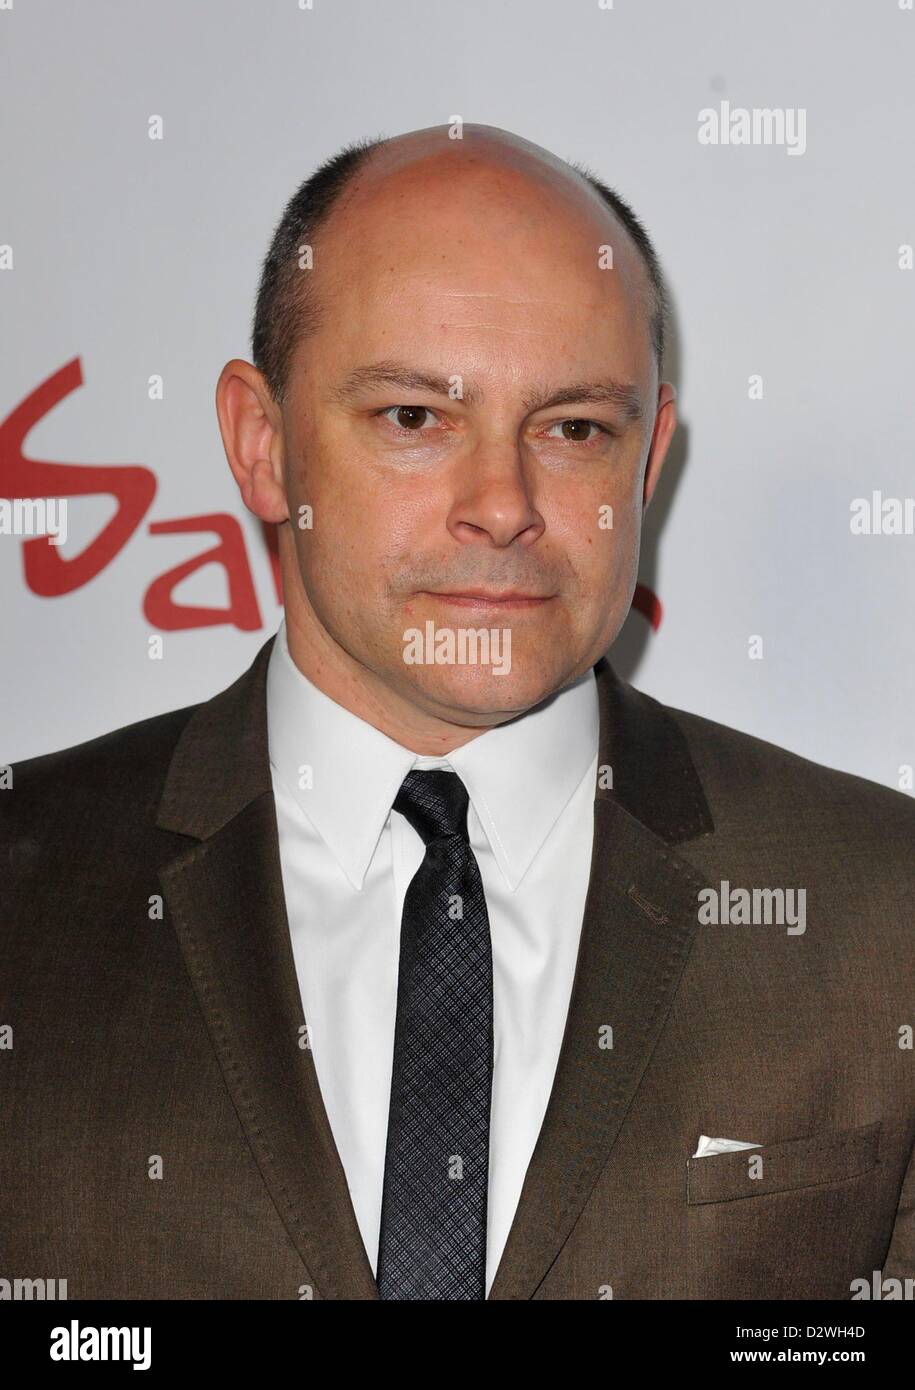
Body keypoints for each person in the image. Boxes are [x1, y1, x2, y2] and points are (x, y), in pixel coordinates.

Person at [2, 124, 913, 1301]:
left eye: (575, 428)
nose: (503, 505)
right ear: (263, 443)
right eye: (414, 419)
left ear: (647, 463)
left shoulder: (882, 911)